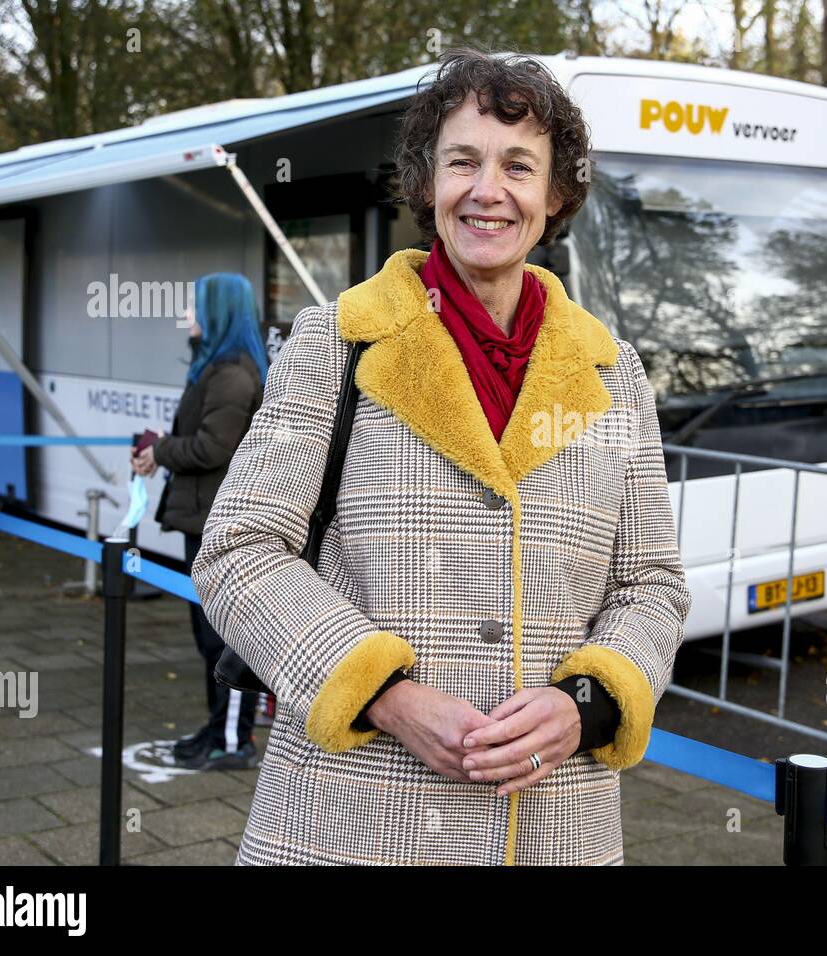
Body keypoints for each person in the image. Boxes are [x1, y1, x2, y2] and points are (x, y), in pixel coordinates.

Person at [191, 47, 691, 865]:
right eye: (463, 161)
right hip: (354, 819)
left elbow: (651, 585)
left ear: (555, 195)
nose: (487, 190)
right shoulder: (336, 345)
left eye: (519, 166)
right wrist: (383, 693)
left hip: (555, 824)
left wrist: (588, 701)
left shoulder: (614, 373)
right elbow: (239, 553)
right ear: (427, 183)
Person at [132, 273, 268, 770]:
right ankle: (217, 729)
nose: (186, 316)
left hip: (220, 523)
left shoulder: (232, 373)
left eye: (194, 307)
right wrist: (161, 450)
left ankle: (233, 740)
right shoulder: (215, 367)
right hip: (202, 518)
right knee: (207, 638)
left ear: (218, 312)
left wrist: (159, 450)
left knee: (224, 640)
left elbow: (213, 447)